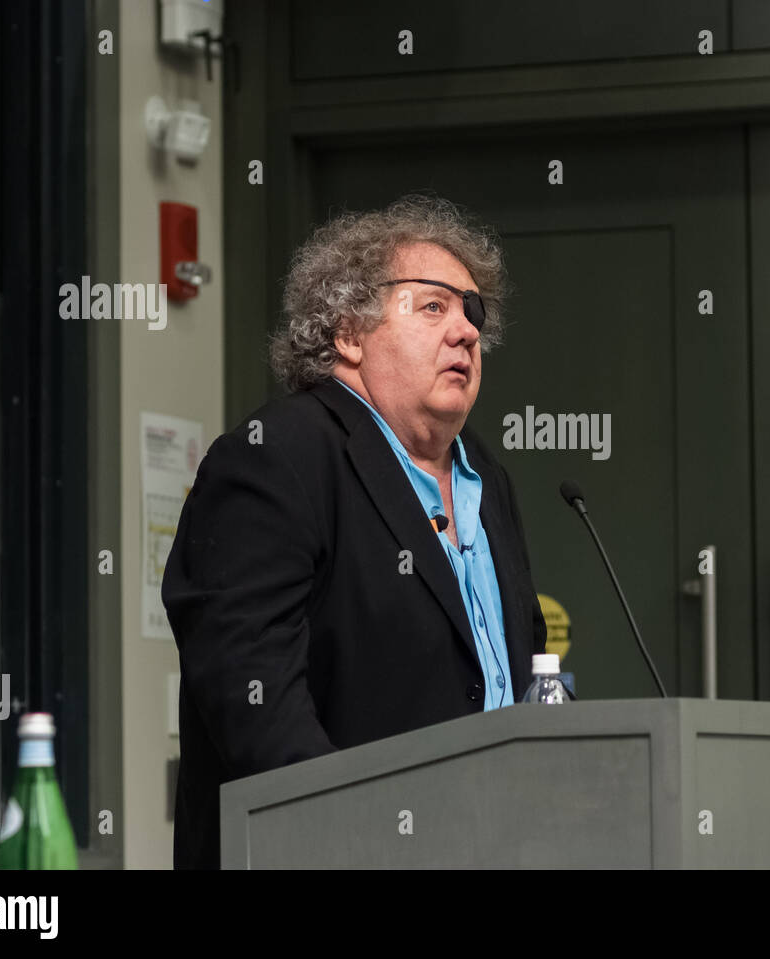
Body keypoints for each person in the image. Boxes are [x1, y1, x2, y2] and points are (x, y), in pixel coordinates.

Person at [162, 194, 547, 869]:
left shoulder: (486, 476)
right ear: (348, 331)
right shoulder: (275, 459)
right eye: (433, 306)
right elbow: (259, 715)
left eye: (472, 311)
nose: (465, 330)